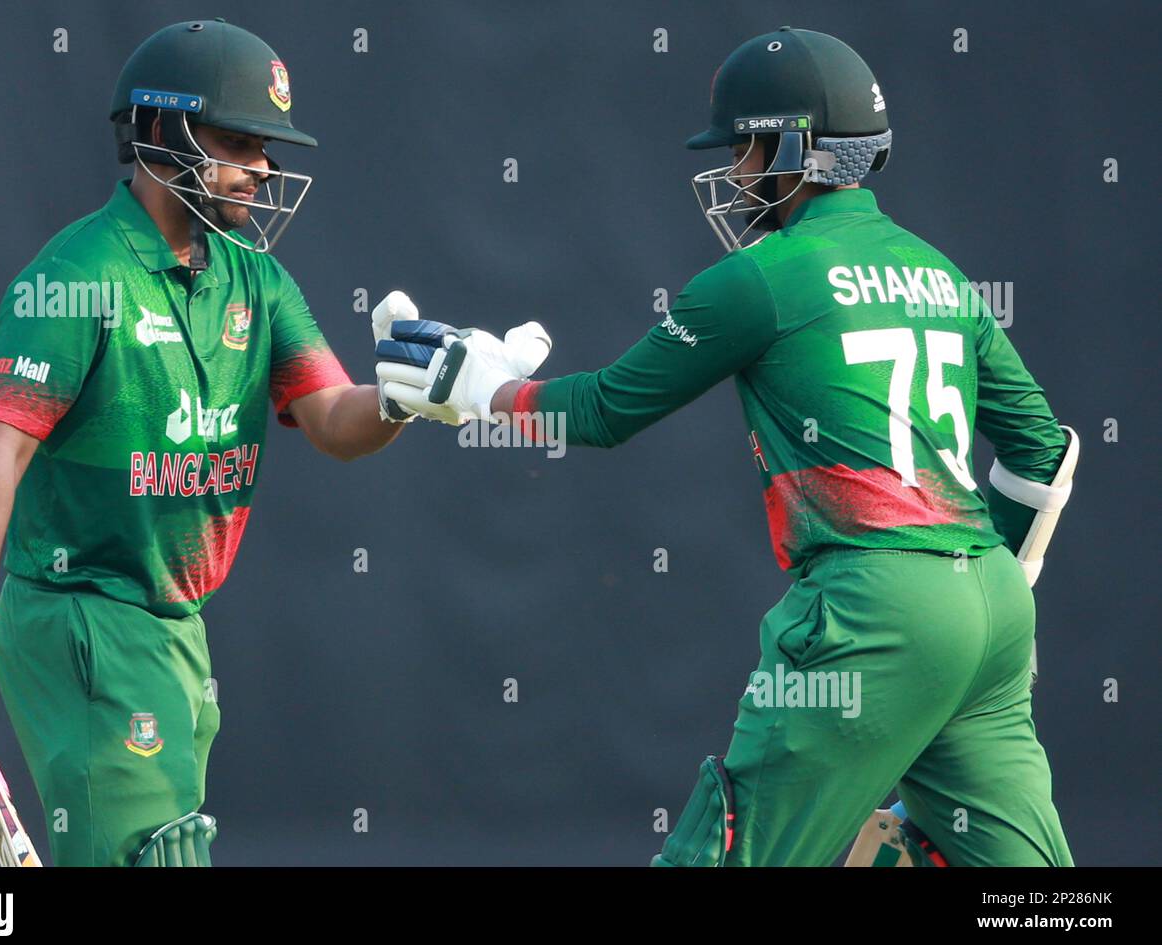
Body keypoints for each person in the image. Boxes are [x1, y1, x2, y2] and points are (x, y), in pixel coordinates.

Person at [376, 27, 1077, 866]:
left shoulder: (762, 276)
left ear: (797, 151)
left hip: (873, 604)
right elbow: (1042, 449)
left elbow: (601, 412)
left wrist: (481, 388)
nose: (737, 171)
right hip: (994, 608)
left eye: (747, 147)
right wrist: (974, 595)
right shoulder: (942, 274)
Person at [0, 19, 434, 866]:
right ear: (163, 132)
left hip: (175, 622)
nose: (264, 168)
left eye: (266, 147)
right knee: (152, 855)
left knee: (163, 844)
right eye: (240, 142)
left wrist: (402, 398)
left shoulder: (257, 278)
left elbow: (333, 422)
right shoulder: (77, 277)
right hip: (81, 612)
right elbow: (0, 448)